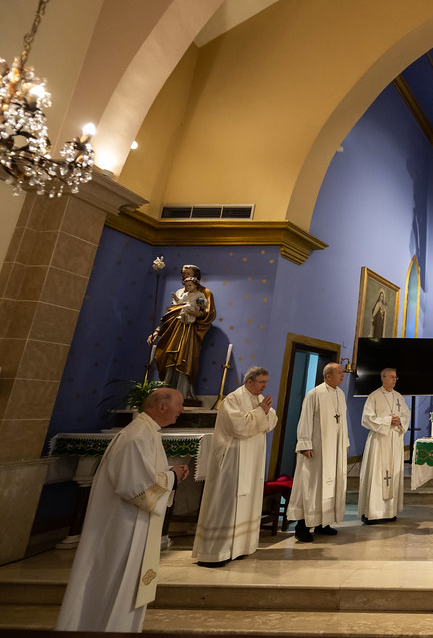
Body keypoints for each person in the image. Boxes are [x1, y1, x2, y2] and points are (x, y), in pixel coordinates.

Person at [56, 388, 189, 632]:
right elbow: (135, 488)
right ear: (161, 407)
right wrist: (171, 477)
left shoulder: (147, 432)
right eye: (179, 405)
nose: (182, 410)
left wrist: (169, 473)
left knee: (125, 587)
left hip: (131, 525)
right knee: (113, 584)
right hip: (122, 528)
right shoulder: (138, 436)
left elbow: (141, 474)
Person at [192, 366, 277, 567]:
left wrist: (264, 412)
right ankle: (215, 553)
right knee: (227, 502)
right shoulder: (232, 399)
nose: (264, 386)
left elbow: (271, 420)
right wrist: (261, 412)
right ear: (249, 382)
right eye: (261, 382)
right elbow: (239, 427)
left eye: (266, 382)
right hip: (232, 460)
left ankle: (240, 547)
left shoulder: (258, 399)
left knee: (246, 501)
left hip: (252, 459)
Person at [288, 362, 349, 543]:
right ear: (328, 376)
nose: (343, 376)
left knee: (331, 485)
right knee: (312, 486)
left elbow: (343, 421)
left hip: (335, 449)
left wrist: (345, 441)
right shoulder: (314, 394)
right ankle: (302, 526)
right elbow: (305, 419)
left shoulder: (340, 394)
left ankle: (324, 522)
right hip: (317, 450)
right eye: (339, 373)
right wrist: (305, 443)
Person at [148, 264, 216, 400]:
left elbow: (208, 313)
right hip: (175, 329)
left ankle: (183, 393)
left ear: (196, 276)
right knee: (169, 357)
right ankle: (167, 392)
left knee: (185, 360)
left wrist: (199, 314)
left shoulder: (203, 293)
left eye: (187, 273)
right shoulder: (180, 292)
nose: (184, 276)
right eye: (183, 274)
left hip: (190, 332)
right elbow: (170, 313)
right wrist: (158, 330)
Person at [358, 368, 411, 524]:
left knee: (392, 474)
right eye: (392, 377)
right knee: (376, 474)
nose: (395, 380)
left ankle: (389, 512)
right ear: (383, 378)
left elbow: (406, 415)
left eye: (396, 377)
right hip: (379, 441)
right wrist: (388, 421)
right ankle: (373, 512)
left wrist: (399, 420)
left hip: (394, 441)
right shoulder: (374, 396)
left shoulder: (398, 397)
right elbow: (367, 419)